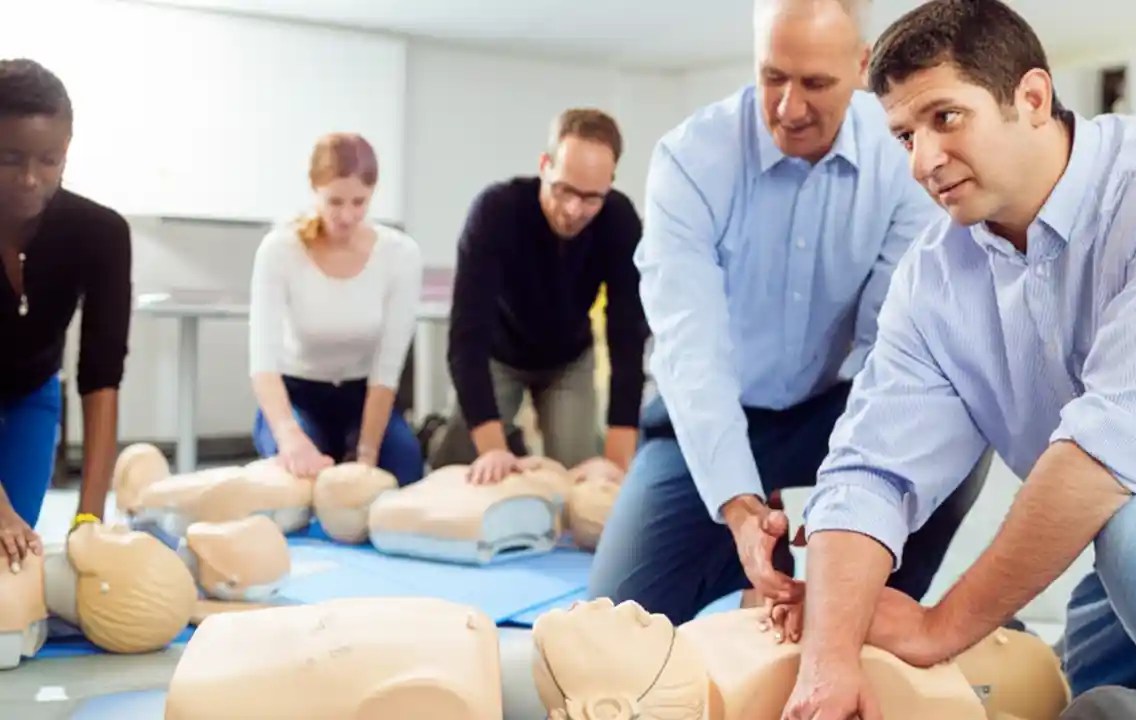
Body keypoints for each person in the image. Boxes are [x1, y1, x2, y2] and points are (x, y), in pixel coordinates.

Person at [782, 1, 1136, 719]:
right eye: (903, 136)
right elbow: (868, 472)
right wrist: (827, 663)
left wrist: (939, 626)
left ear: (1034, 99)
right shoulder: (934, 282)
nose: (923, 161)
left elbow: (1104, 451)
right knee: (1092, 678)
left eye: (946, 118)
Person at [586, 0, 991, 627]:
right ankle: (743, 561)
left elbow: (889, 345)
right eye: (773, 76)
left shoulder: (904, 159)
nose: (789, 107)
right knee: (612, 624)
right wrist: (741, 507)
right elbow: (692, 348)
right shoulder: (691, 159)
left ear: (861, 67)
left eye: (816, 84)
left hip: (834, 408)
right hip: (714, 412)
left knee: (958, 427)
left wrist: (849, 517)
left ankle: (877, 611)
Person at [427, 109, 648, 484]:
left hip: (568, 360)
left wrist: (616, 464)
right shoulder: (496, 211)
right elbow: (467, 337)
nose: (574, 210)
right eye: (565, 190)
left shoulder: (619, 221)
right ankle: (448, 439)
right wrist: (494, 450)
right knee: (462, 467)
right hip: (499, 354)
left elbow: (627, 335)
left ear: (610, 184)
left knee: (580, 474)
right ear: (545, 165)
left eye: (591, 198)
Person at [0, 58, 132, 568]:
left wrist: (88, 522)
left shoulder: (100, 234)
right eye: (9, 159)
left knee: (14, 554)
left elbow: (101, 376)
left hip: (32, 394)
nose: (31, 179)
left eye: (49, 160)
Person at [249, 132, 425, 487]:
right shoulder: (279, 250)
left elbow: (387, 369)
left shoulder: (400, 255)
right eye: (335, 202)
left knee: (402, 470)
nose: (347, 216)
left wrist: (367, 457)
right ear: (314, 189)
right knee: (297, 479)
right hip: (297, 394)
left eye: (359, 202)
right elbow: (263, 361)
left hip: (364, 398)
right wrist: (289, 436)